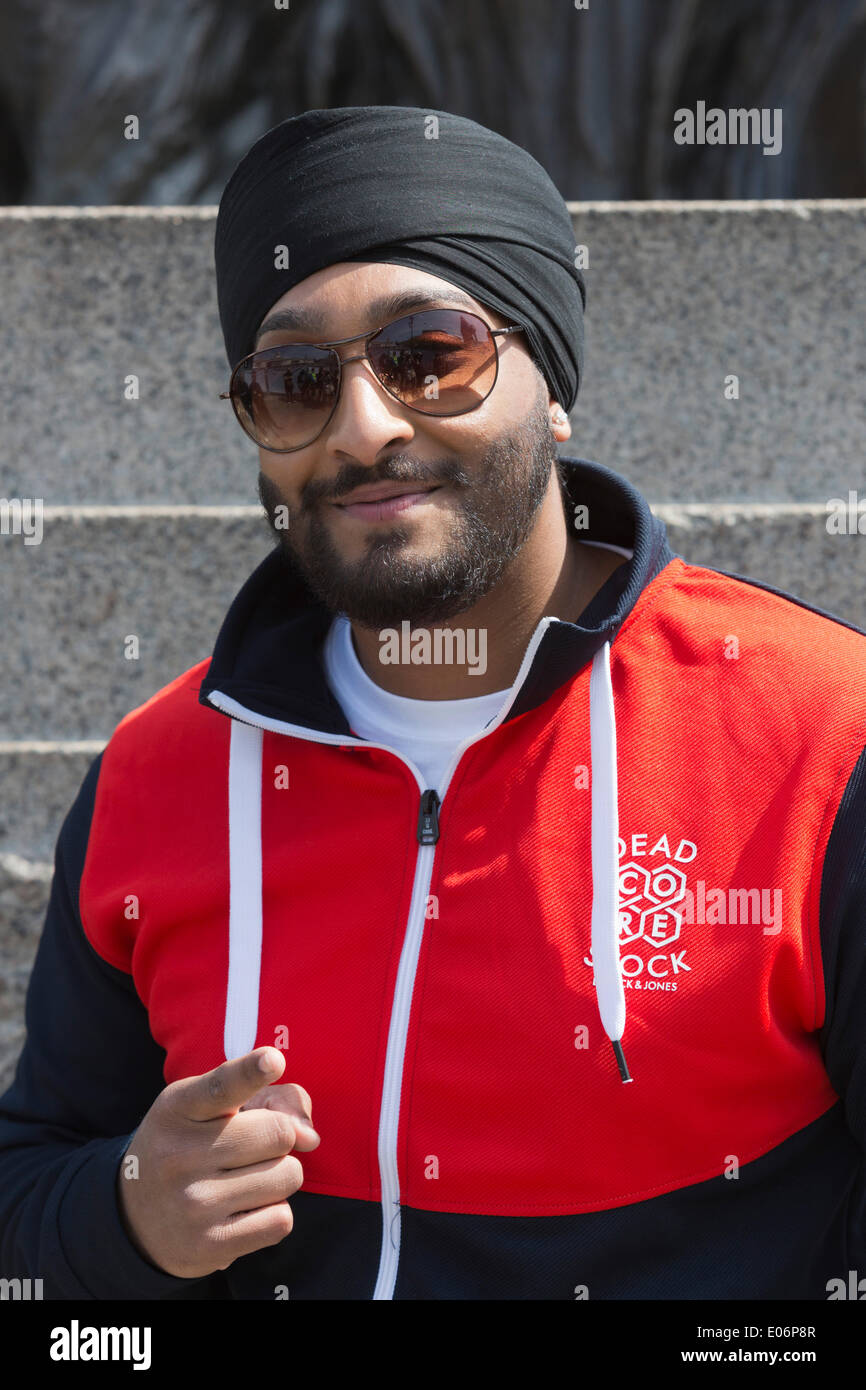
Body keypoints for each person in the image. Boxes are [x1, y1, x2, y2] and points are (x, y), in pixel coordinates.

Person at [1, 105, 864, 1302]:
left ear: (549, 385)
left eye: (432, 352)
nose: (365, 426)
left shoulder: (823, 733)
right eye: (295, 379)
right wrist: (126, 1213)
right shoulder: (159, 772)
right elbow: (27, 1187)